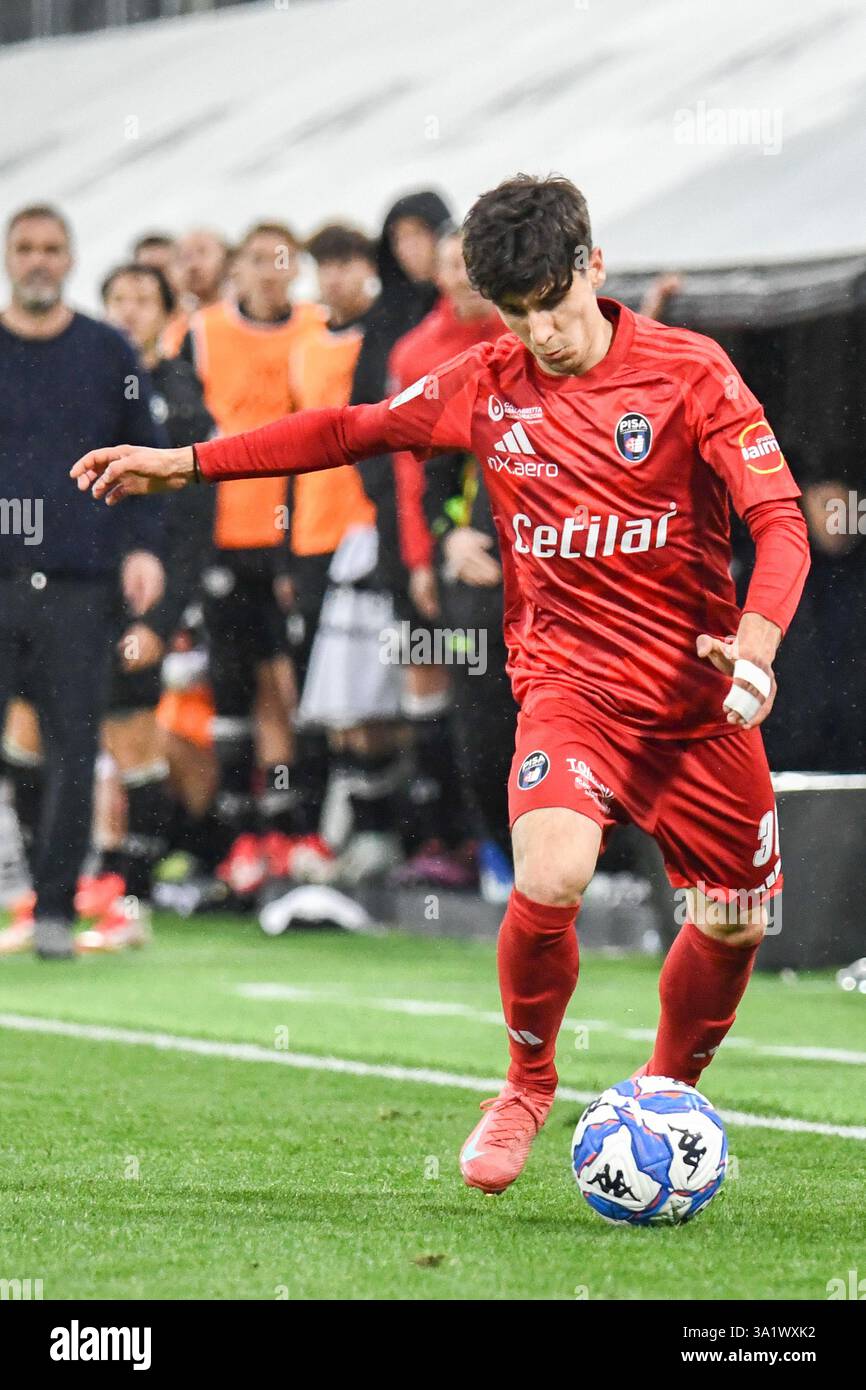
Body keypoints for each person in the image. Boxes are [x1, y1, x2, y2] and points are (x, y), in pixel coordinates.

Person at [71, 174, 811, 1196]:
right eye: (518, 315)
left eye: (556, 303)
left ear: (593, 268)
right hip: (568, 689)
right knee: (549, 873)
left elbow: (778, 519)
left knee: (731, 917)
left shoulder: (689, 373)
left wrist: (757, 641)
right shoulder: (488, 381)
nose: (544, 333)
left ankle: (661, 1092)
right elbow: (347, 430)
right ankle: (523, 1083)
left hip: (696, 698)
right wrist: (187, 464)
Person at [0, 204, 165, 959]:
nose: (38, 261)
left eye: (52, 249)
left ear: (69, 259)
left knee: (73, 748)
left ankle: (57, 907)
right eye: (25, 248)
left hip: (80, 579)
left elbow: (147, 457)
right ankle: (36, 885)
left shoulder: (107, 351)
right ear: (8, 257)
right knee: (26, 757)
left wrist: (143, 548)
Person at [179, 221, 324, 898]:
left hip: (295, 538)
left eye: (280, 261)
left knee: (289, 693)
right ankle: (242, 834)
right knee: (232, 689)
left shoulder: (315, 329)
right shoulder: (203, 331)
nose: (269, 273)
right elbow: (178, 429)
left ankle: (288, 826)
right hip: (224, 534)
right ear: (235, 270)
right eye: (256, 262)